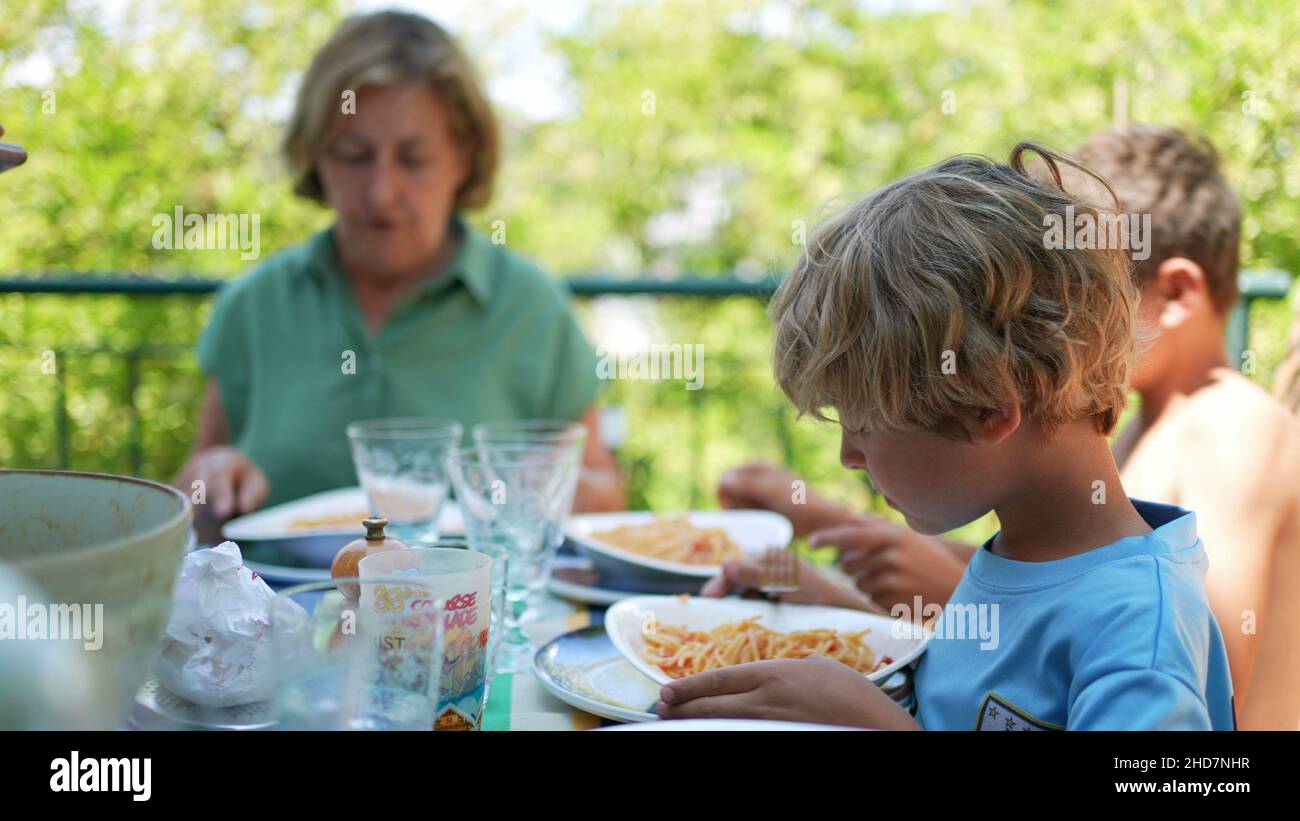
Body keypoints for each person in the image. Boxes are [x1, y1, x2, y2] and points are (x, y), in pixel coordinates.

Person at [719, 126, 1300, 729]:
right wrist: (834, 616)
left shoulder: (1140, 622)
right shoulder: (1018, 551)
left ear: (989, 407)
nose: (848, 456)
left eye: (863, 423)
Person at [173, 11, 624, 533]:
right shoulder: (254, 306)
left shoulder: (531, 307)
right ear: (316, 156)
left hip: (465, 611)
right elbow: (194, 495)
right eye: (354, 154)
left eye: (413, 159)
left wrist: (553, 487)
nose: (381, 193)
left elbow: (609, 503)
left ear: (465, 158)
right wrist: (211, 481)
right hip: (277, 609)